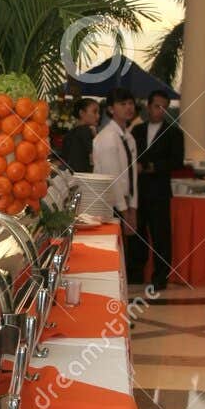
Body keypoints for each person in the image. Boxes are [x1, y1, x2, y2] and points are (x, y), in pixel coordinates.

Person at [131, 87, 185, 296]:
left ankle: (160, 277)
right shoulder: (137, 131)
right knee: (137, 234)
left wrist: (151, 166)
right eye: (156, 106)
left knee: (161, 236)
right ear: (148, 106)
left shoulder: (174, 133)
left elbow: (176, 161)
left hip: (160, 192)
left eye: (164, 107)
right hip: (138, 190)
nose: (159, 111)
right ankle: (136, 273)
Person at [92, 90, 140, 275]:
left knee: (122, 253)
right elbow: (113, 178)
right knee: (112, 254)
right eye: (123, 104)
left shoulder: (128, 137)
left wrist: (133, 207)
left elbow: (132, 175)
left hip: (124, 201)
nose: (129, 108)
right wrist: (124, 211)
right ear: (111, 109)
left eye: (130, 103)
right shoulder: (107, 138)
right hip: (109, 204)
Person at [61, 97, 100, 173]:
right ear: (82, 113)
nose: (98, 116)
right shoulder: (86, 130)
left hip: (72, 178)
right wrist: (96, 136)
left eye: (99, 113)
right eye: (95, 112)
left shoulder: (69, 133)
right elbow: (96, 157)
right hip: (86, 178)